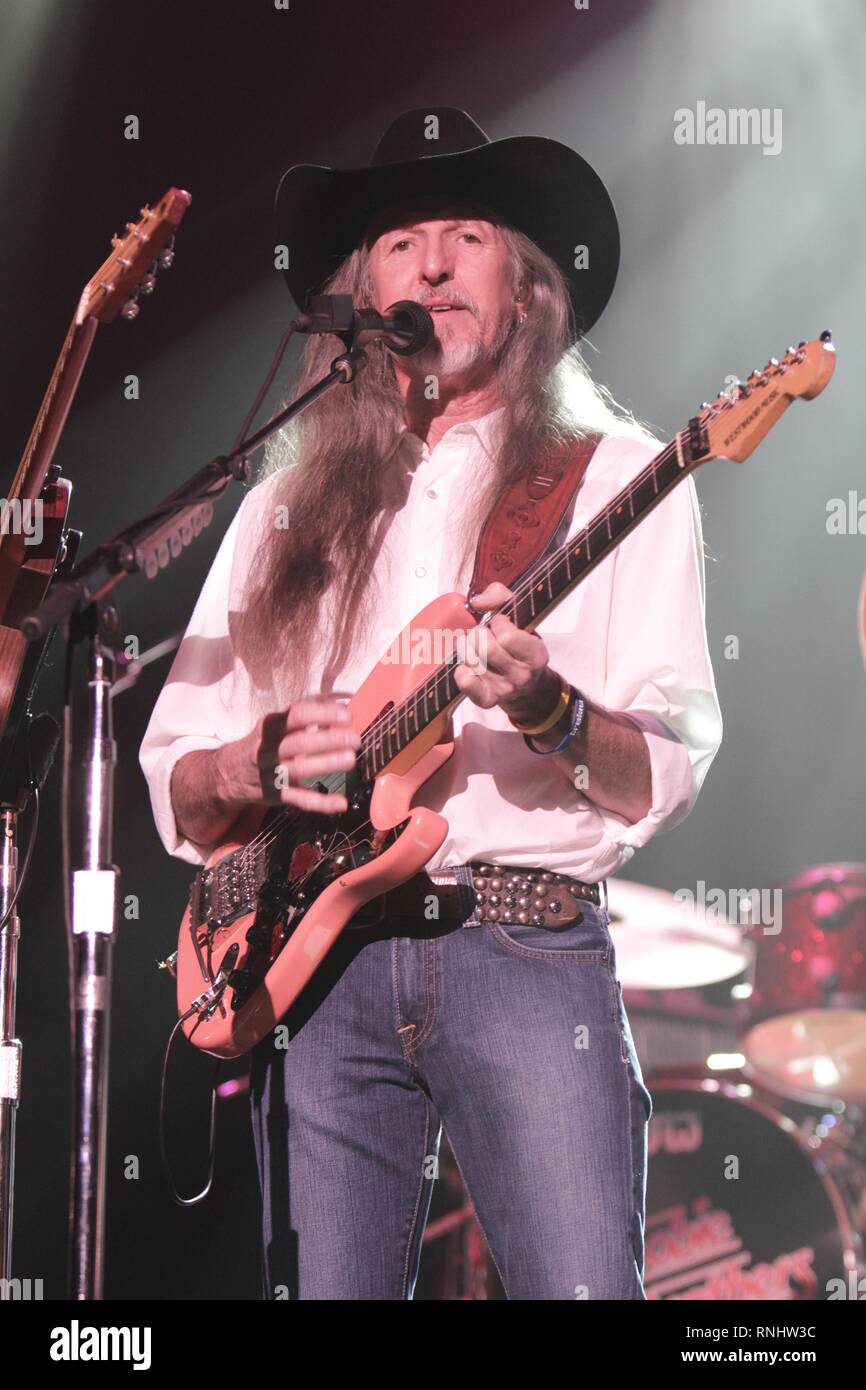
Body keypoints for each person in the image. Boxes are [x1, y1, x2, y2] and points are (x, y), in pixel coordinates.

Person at [140, 107, 722, 1300]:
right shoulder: (284, 507)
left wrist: (551, 705)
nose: (436, 265)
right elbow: (181, 782)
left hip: (521, 945)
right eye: (404, 242)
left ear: (523, 290)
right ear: (364, 287)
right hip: (318, 965)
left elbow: (659, 769)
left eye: (469, 235)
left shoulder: (614, 477)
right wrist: (254, 763)